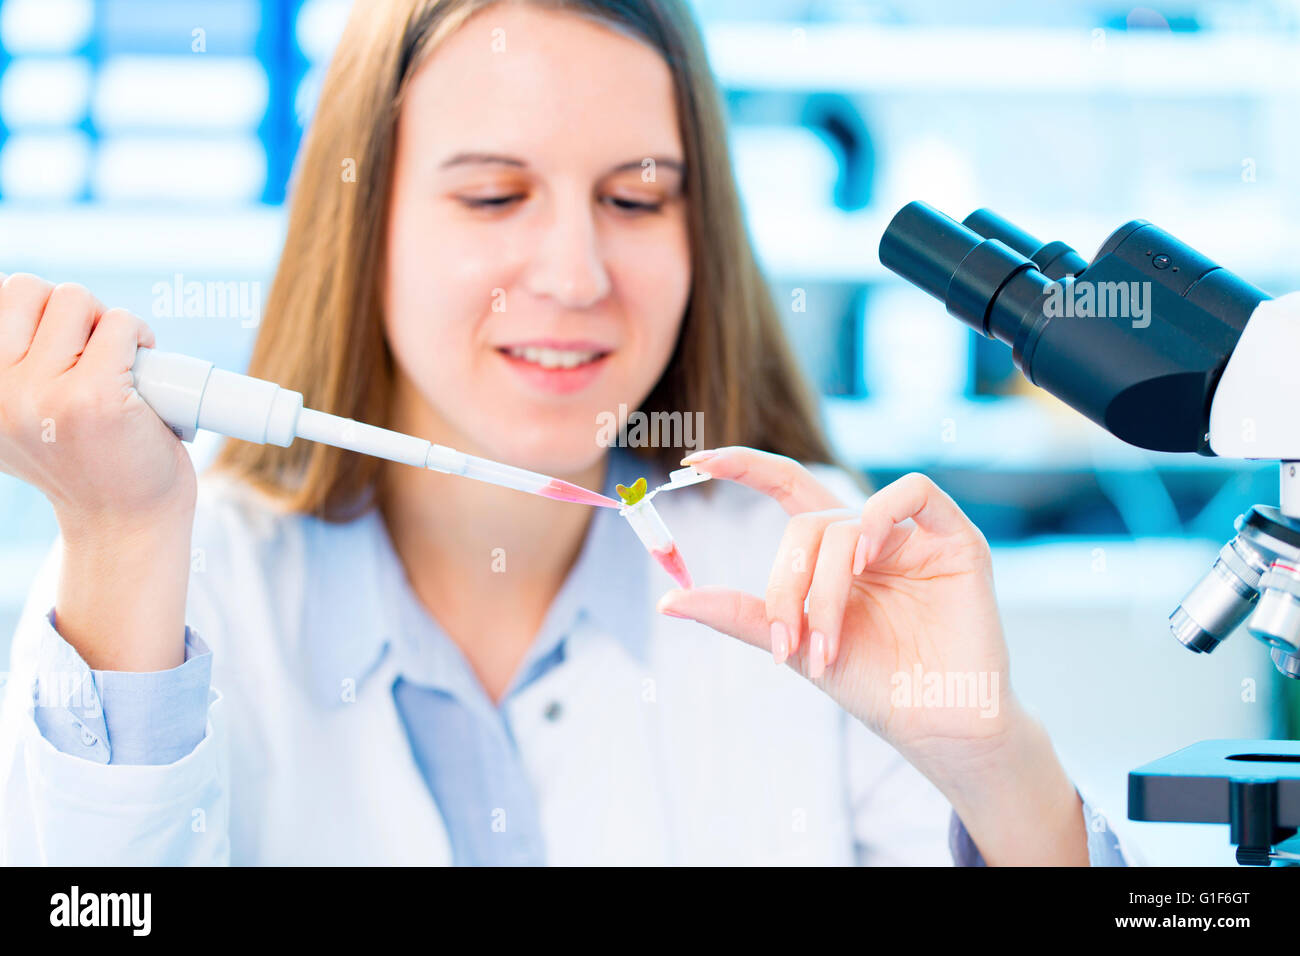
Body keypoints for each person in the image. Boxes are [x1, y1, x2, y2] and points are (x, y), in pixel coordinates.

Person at [0, 0, 1131, 865]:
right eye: (494, 197)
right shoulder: (175, 573)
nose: (577, 272)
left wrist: (992, 760)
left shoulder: (805, 560)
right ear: (363, 226)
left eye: (636, 201)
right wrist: (121, 533)